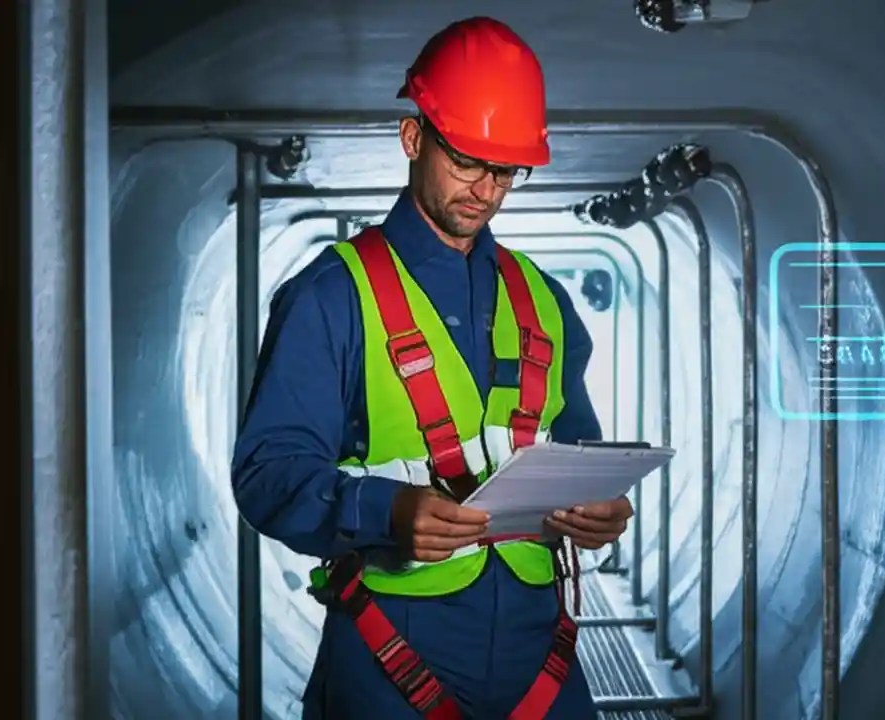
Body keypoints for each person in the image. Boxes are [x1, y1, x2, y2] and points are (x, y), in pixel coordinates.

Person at [230, 16, 635, 719]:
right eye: (468, 161)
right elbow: (267, 475)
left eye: (506, 170)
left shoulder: (545, 299)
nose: (486, 189)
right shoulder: (331, 297)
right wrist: (384, 512)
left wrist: (599, 506)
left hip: (541, 652)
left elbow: (575, 444)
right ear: (414, 138)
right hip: (392, 647)